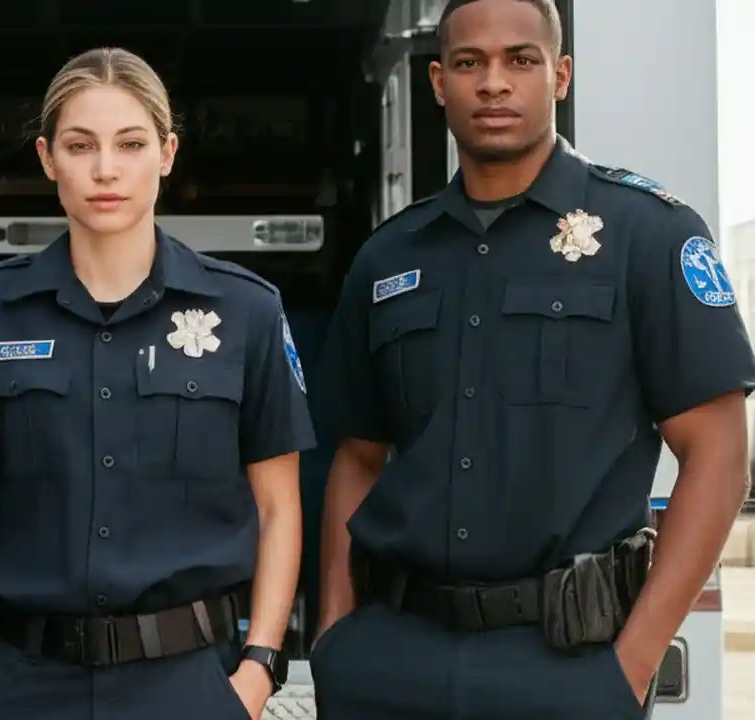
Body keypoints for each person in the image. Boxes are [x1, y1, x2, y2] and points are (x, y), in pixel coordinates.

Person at [310, 0, 755, 718]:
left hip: (569, 667)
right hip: (390, 663)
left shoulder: (646, 235)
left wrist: (630, 666)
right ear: (437, 83)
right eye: (468, 63)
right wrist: (335, 634)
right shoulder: (390, 257)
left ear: (561, 76)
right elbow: (358, 458)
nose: (493, 82)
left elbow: (718, 451)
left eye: (520, 60)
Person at [0, 47, 317, 720]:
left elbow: (279, 506)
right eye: (80, 144)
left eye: (130, 143)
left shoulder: (246, 311)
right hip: (18, 684)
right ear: (46, 159)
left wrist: (258, 669)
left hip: (188, 685)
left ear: (167, 153)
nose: (105, 169)